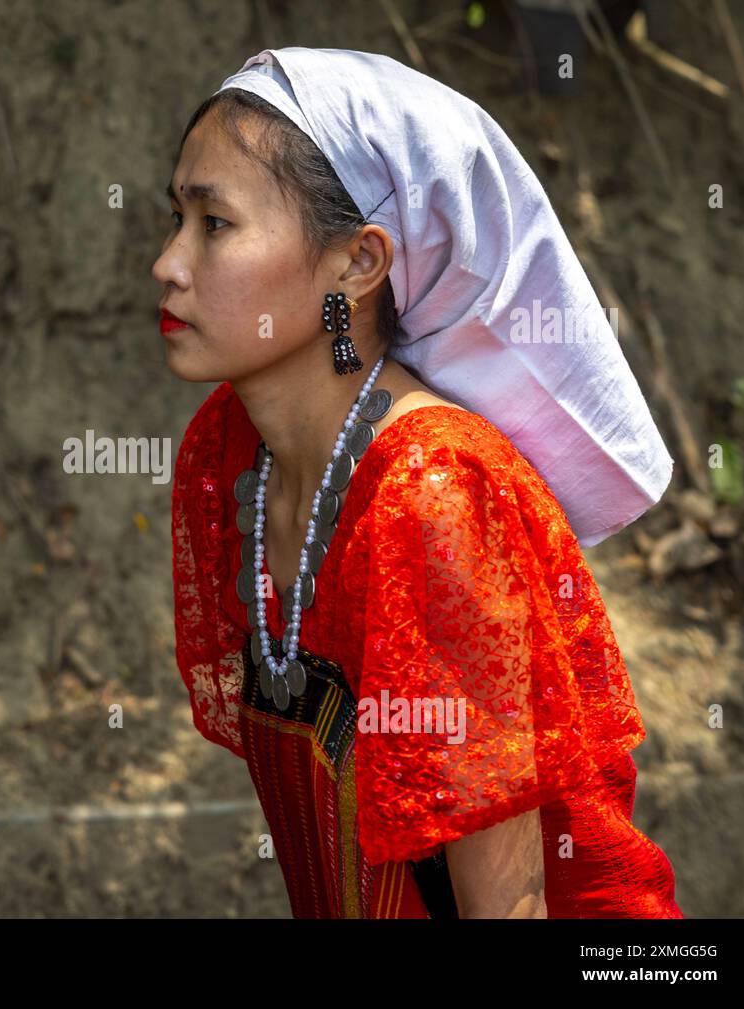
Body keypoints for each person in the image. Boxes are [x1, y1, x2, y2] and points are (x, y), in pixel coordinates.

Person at [154, 47, 682, 919]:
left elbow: (508, 905)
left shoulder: (433, 491)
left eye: (216, 225)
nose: (169, 263)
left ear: (357, 266)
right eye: (175, 217)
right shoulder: (229, 451)